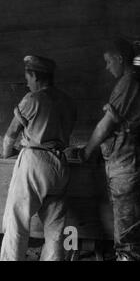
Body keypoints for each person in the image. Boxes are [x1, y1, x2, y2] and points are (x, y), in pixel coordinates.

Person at [0, 55, 77, 261]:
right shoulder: (67, 100)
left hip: (35, 163)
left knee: (16, 221)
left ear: (36, 76)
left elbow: (11, 134)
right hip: (60, 164)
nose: (27, 82)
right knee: (55, 228)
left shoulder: (33, 99)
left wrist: (6, 153)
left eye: (28, 77)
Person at [78, 38, 140, 261]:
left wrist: (87, 151)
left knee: (128, 239)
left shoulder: (128, 82)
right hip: (125, 166)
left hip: (126, 167)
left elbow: (105, 126)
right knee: (126, 231)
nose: (107, 66)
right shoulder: (130, 82)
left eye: (108, 61)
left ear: (120, 59)